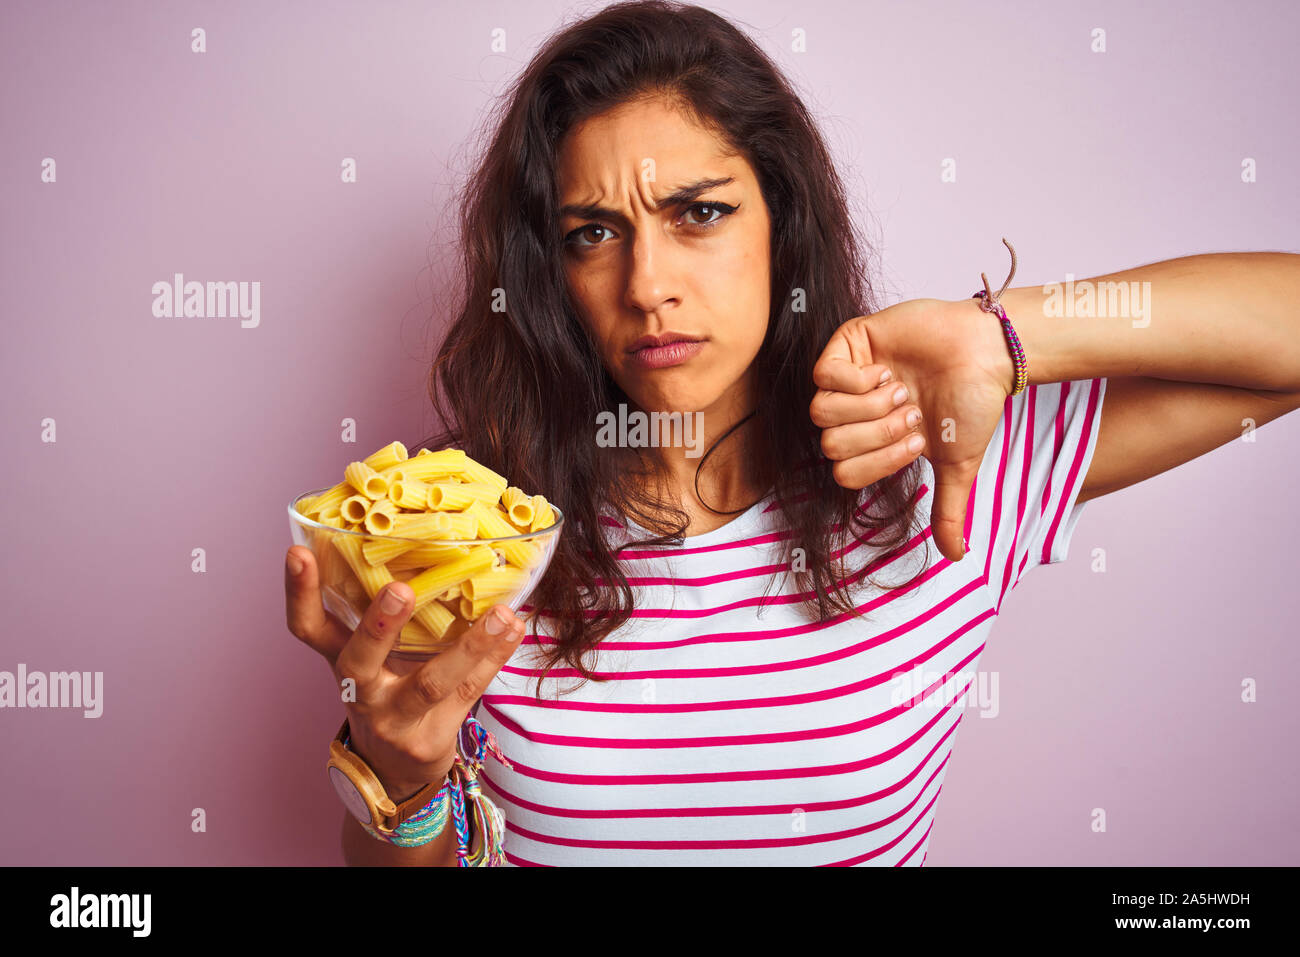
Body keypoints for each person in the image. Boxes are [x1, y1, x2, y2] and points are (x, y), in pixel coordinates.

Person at [284, 0, 1300, 865]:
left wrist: (1002, 333)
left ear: (783, 221)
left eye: (699, 214)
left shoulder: (939, 461)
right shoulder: (472, 536)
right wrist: (401, 787)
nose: (649, 287)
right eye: (593, 235)